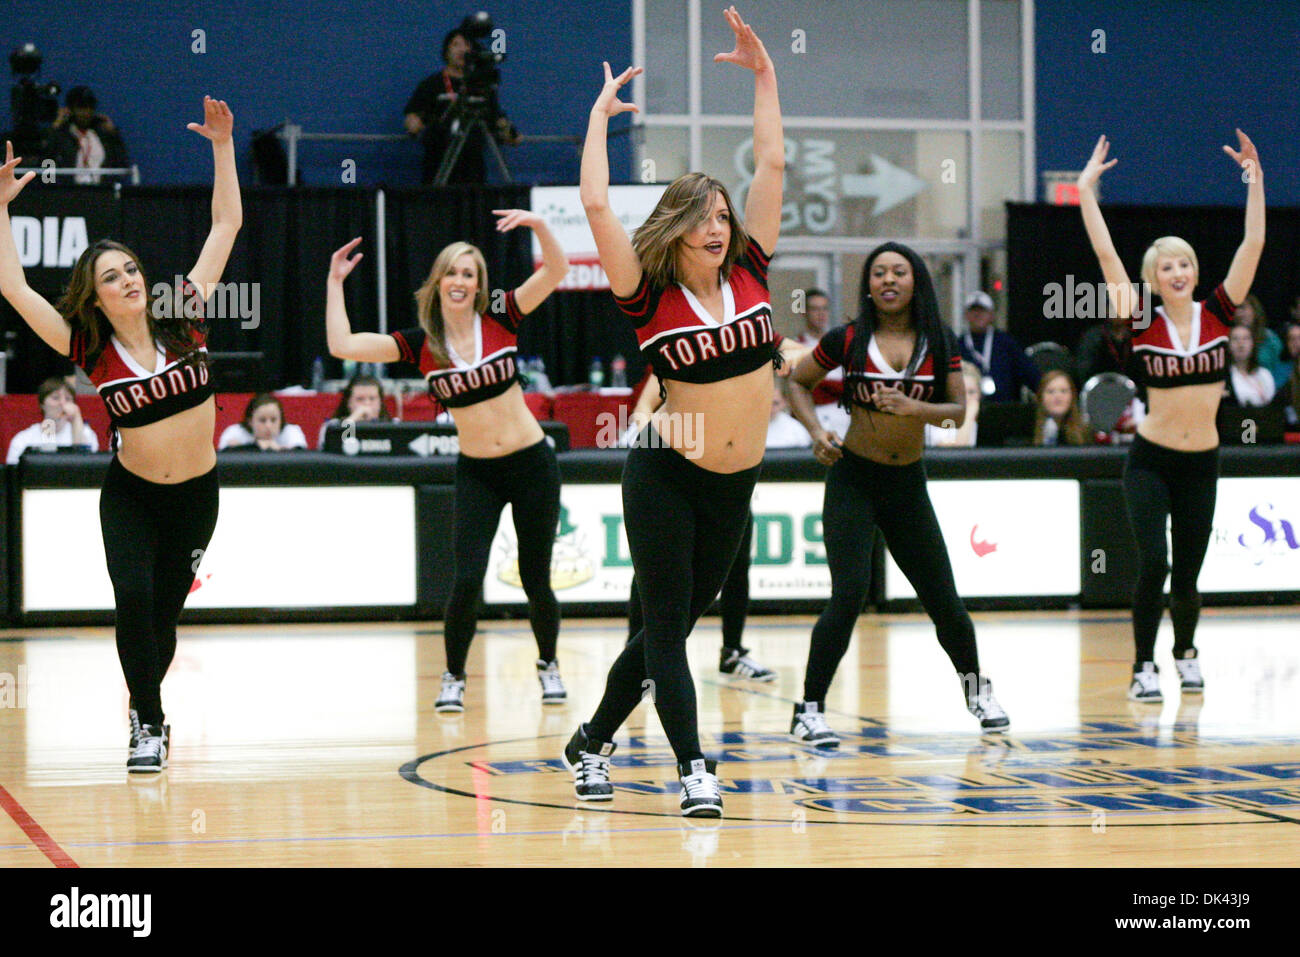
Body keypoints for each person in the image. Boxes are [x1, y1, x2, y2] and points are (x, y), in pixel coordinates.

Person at [564, 6, 793, 818]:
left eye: (723, 216)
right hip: (666, 469)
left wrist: (765, 76)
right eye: (701, 217)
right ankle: (697, 767)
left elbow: (770, 162)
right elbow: (595, 207)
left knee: (663, 634)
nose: (717, 226)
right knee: (667, 625)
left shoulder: (755, 274)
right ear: (676, 227)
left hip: (737, 481)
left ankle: (589, 740)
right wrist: (597, 120)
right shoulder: (648, 297)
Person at [0, 97, 240, 772]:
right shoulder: (90, 350)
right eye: (112, 277)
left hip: (197, 496)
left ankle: (141, 704)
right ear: (96, 296)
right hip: (130, 495)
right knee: (132, 598)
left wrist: (222, 146)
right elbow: (14, 287)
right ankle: (151, 723)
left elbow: (225, 223)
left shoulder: (183, 316)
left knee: (161, 618)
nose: (129, 279)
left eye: (131, 269)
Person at [326, 207, 569, 712]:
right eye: (452, 272)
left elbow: (557, 271)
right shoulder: (421, 346)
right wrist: (334, 283)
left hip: (531, 465)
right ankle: (454, 676)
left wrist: (539, 227)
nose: (460, 281)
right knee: (465, 578)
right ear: (437, 282)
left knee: (535, 574)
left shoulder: (501, 317)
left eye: (469, 273)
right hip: (478, 470)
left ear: (479, 285)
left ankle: (548, 664)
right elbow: (342, 344)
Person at [785, 242, 1011, 747]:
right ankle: (810, 709)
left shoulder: (939, 340)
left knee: (944, 602)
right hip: (853, 480)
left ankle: (977, 691)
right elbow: (796, 383)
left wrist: (915, 408)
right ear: (868, 285)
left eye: (899, 272)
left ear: (916, 283)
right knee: (847, 596)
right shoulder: (846, 338)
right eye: (879, 273)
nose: (889, 280)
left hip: (908, 486)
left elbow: (956, 410)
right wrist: (816, 433)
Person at [1077, 131, 1264, 703]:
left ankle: (1185, 653)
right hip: (1150, 461)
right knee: (1152, 564)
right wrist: (1086, 190)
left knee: (1187, 573)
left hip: (1202, 461)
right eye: (1167, 266)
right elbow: (1107, 255)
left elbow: (1253, 241)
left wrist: (1254, 180)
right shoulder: (1139, 320)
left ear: (1194, 269)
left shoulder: (1218, 313)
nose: (1178, 271)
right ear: (1154, 277)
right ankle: (1142, 667)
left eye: (1185, 263)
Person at [622, 371, 780, 684]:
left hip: (726, 479)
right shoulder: (678, 358)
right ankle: (635, 654)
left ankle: (732, 650)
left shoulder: (742, 357)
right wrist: (654, 451)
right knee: (653, 574)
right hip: (677, 477)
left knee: (737, 562)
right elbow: (642, 411)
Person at [404, 23, 519, 184]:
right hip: (438, 163)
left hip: (473, 168)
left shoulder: (482, 88)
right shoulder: (432, 84)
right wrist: (415, 122)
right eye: (456, 44)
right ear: (446, 50)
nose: (461, 50)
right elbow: (412, 118)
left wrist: (508, 131)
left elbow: (497, 120)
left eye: (466, 45)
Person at [959, 291, 1039, 403]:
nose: (978, 314)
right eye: (973, 310)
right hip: (969, 408)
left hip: (1004, 410)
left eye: (983, 310)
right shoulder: (958, 345)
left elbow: (1030, 374)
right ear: (966, 315)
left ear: (992, 315)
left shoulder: (1006, 343)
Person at [41, 86, 130, 184]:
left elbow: (122, 166)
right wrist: (55, 127)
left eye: (90, 107)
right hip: (67, 193)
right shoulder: (61, 136)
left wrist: (114, 135)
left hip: (101, 193)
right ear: (71, 109)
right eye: (81, 107)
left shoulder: (103, 136)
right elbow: (46, 163)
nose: (86, 113)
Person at [6, 376, 100, 463]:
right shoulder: (23, 439)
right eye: (55, 398)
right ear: (42, 404)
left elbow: (86, 466)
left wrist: (76, 419)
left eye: (68, 399)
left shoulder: (86, 434)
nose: (62, 403)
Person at [796, 288, 850, 437]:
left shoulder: (841, 345)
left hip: (842, 416)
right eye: (815, 309)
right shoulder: (795, 348)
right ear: (804, 312)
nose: (821, 314)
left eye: (824, 309)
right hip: (812, 417)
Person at [316, 373, 391, 448]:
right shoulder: (332, 427)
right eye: (360, 399)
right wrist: (351, 420)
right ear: (349, 403)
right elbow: (336, 448)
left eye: (372, 398)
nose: (367, 404)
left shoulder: (393, 425)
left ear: (380, 402)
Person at [218, 393, 308, 451]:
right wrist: (255, 447)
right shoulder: (235, 432)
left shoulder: (291, 431)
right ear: (250, 421)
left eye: (273, 420)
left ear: (281, 420)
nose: (268, 426)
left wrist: (277, 450)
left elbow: (303, 458)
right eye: (262, 420)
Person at [1234, 294, 1288, 387]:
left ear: (1254, 310)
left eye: (1243, 308)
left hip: (1267, 389)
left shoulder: (1270, 338)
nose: (1239, 313)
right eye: (1236, 309)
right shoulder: (1228, 337)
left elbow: (1277, 367)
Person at [925, 359, 981, 447]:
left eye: (971, 392)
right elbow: (958, 450)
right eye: (961, 392)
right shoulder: (939, 419)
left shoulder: (984, 422)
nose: (966, 398)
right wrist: (969, 416)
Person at [1032, 369, 1091, 446]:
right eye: (1050, 391)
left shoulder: (1086, 432)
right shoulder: (1029, 429)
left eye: (1063, 391)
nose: (1057, 396)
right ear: (1041, 397)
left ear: (1072, 396)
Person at [1224, 323, 1275, 407]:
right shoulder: (1223, 377)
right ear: (1228, 345)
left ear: (1253, 344)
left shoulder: (1264, 374)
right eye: (1235, 339)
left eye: (1245, 338)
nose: (1240, 344)